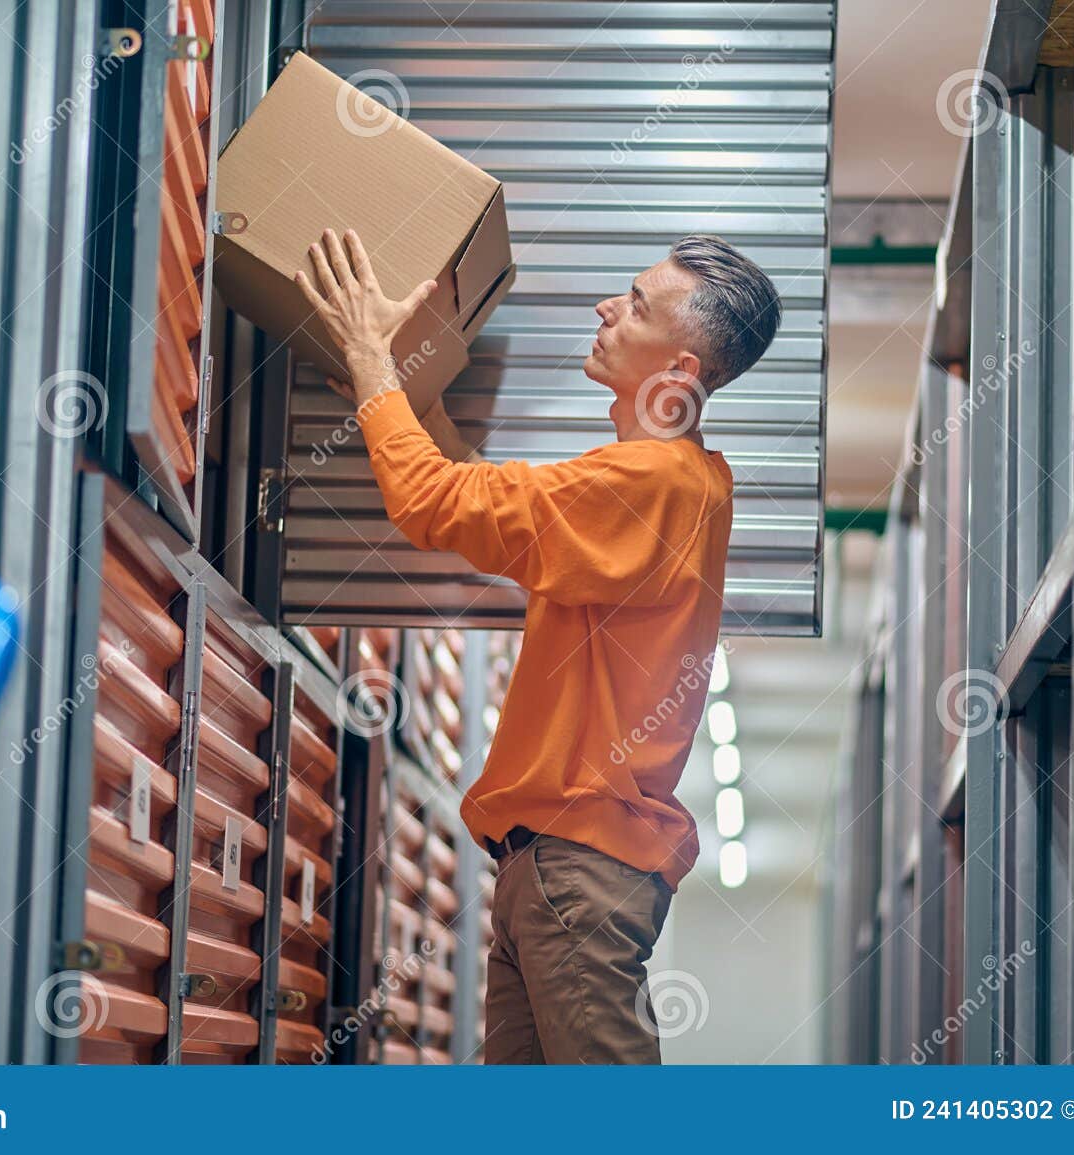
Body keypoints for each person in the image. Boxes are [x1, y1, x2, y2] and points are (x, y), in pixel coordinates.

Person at [294, 227, 781, 1063]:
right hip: (552, 866)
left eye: (633, 303)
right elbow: (484, 504)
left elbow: (431, 505)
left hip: (579, 867)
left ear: (680, 372)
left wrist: (375, 359)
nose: (606, 309)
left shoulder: (649, 484)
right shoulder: (667, 481)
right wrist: (408, 395)